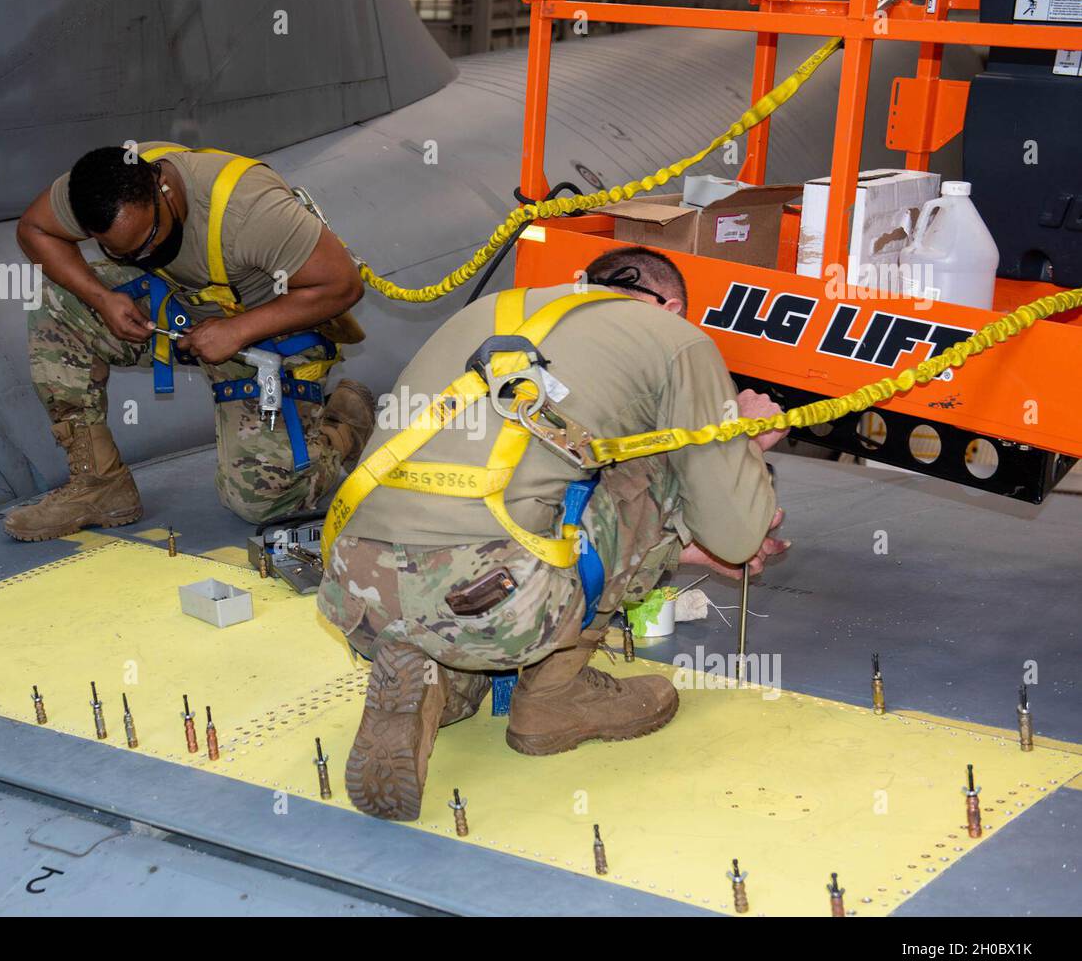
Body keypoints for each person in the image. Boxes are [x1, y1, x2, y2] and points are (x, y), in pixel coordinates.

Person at [317, 245, 789, 820]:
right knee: (662, 462)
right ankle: (553, 698)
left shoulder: (496, 309)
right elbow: (737, 533)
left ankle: (440, 676)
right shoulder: (675, 338)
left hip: (355, 584)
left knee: (551, 487)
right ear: (671, 305)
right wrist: (740, 443)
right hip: (489, 594)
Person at [5, 142, 375, 540]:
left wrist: (237, 330)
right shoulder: (100, 187)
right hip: (177, 312)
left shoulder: (249, 212)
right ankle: (100, 485)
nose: (139, 256)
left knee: (260, 504)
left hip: (268, 333)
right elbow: (34, 228)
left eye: (147, 242)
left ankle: (343, 427)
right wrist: (103, 299)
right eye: (119, 252)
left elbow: (341, 285)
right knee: (58, 302)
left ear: (162, 188)